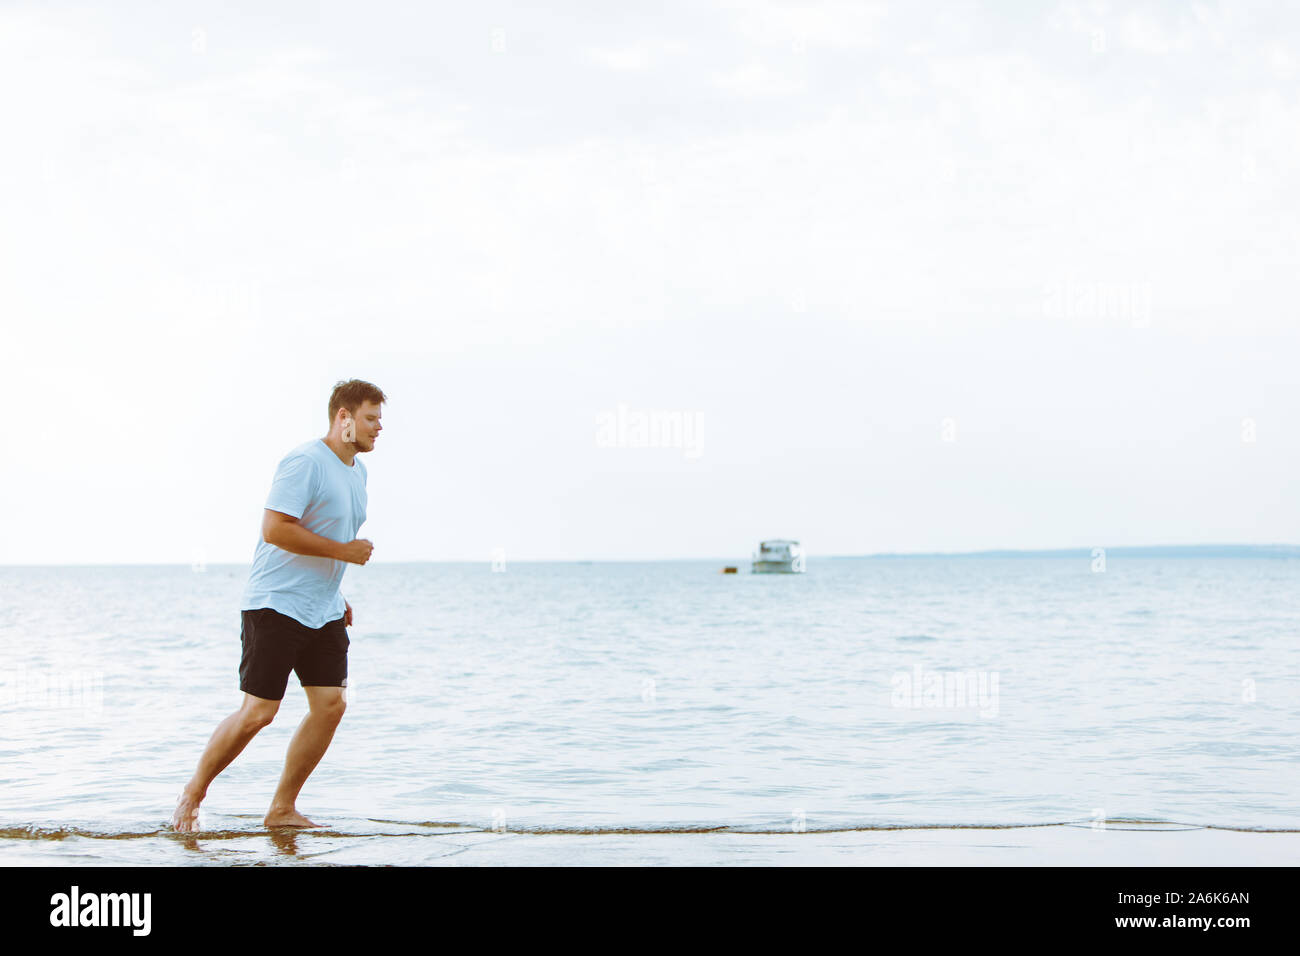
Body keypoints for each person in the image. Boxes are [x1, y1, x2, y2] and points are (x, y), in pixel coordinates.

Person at [171, 379, 386, 831]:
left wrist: (337, 592)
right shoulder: (305, 461)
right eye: (370, 418)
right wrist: (344, 552)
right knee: (259, 713)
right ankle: (193, 792)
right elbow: (275, 529)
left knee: (330, 705)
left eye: (380, 419)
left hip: (323, 609)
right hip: (275, 605)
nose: (378, 427)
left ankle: (281, 809)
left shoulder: (357, 473)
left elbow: (321, 533)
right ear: (343, 418)